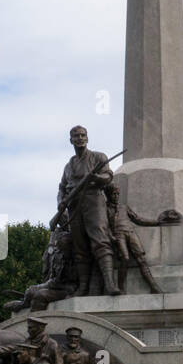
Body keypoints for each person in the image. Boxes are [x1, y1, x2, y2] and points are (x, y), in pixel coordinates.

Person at [57, 126, 117, 296]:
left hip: (93, 199)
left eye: (83, 135)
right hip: (74, 205)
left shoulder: (98, 157)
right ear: (71, 140)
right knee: (79, 246)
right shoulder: (69, 165)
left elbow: (108, 176)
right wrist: (61, 203)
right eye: (76, 136)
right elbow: (62, 187)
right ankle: (82, 287)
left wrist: (96, 178)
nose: (80, 138)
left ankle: (110, 284)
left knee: (100, 240)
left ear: (87, 138)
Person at [105, 185, 181, 294]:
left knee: (141, 259)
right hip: (118, 234)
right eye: (114, 194)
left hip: (131, 233)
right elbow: (104, 225)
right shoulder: (105, 208)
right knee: (125, 258)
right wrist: (111, 237)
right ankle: (121, 288)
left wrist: (157, 222)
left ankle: (153, 287)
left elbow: (138, 219)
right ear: (108, 195)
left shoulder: (124, 207)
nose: (116, 196)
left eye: (118, 194)